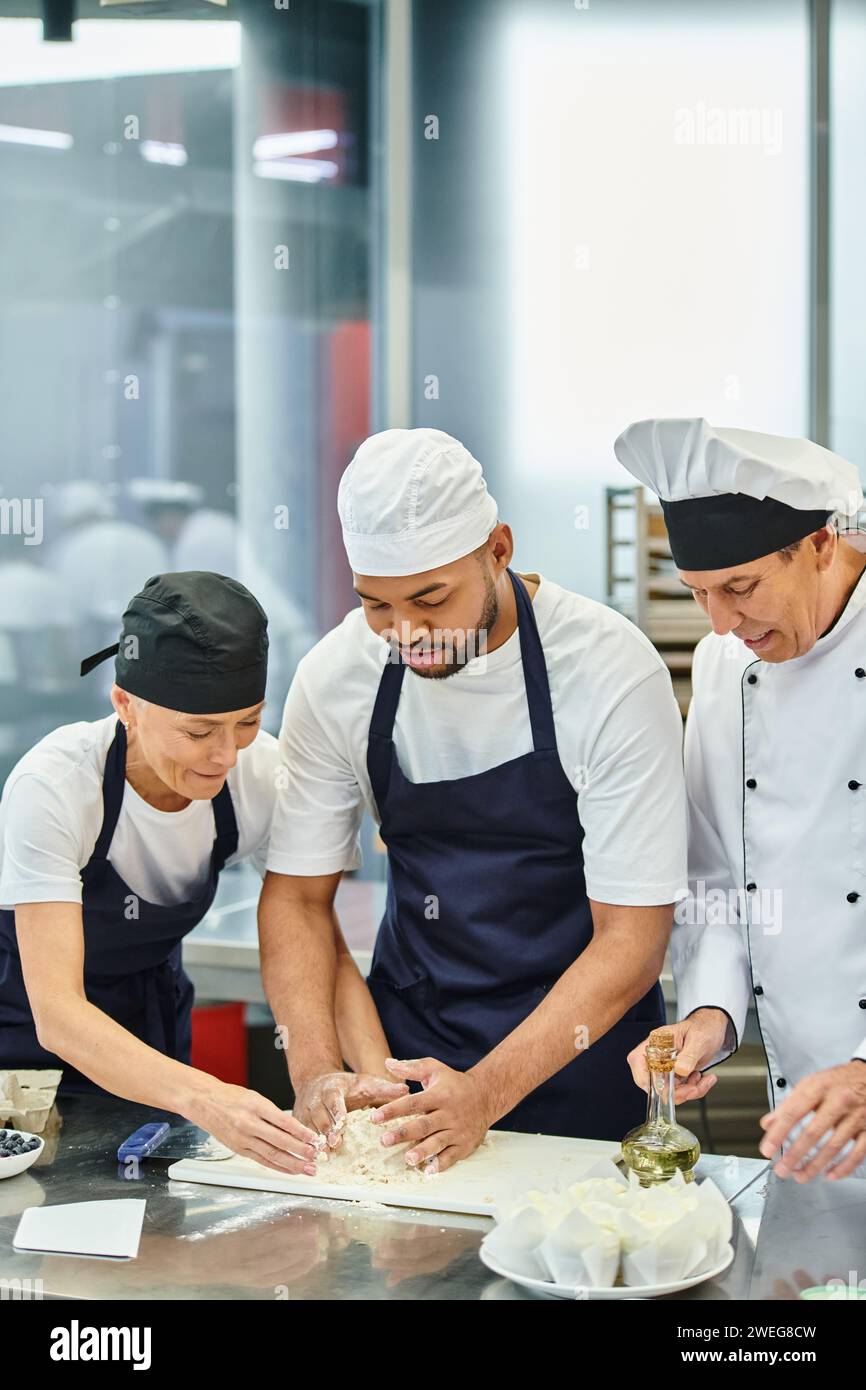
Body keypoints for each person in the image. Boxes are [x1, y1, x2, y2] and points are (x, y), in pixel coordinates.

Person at [259, 428, 688, 1171]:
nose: (410, 635)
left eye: (431, 599)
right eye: (378, 607)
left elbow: (632, 938)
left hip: (581, 1061)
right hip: (409, 1056)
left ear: (498, 548)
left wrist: (484, 1094)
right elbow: (297, 900)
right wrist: (319, 1070)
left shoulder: (609, 670)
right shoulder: (337, 677)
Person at [0, 571, 403, 1173]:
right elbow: (58, 1014)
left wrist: (377, 1088)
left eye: (246, 722)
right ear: (126, 706)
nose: (225, 755)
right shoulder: (56, 788)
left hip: (148, 1025)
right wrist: (212, 1097)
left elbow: (315, 933)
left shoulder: (259, 776)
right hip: (20, 1040)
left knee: (145, 1221)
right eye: (197, 731)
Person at [616, 417, 866, 1182]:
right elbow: (724, 875)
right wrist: (709, 1013)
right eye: (697, 594)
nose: (721, 625)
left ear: (820, 545)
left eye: (740, 588)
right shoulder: (729, 664)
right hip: (805, 1110)